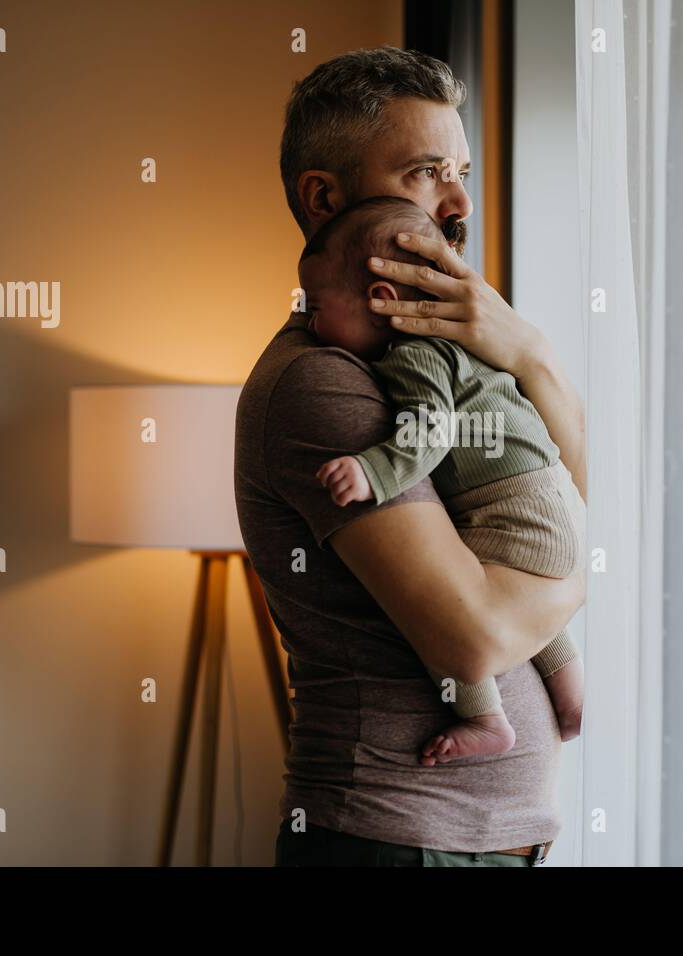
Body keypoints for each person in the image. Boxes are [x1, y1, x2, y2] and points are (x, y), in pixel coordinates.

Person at [235, 47, 586, 867]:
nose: (460, 201)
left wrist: (530, 353)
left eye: (460, 170)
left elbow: (608, 499)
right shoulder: (324, 382)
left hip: (469, 846)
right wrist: (585, 561)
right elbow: (476, 639)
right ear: (324, 198)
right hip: (395, 842)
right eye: (428, 171)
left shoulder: (457, 356)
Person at [299, 195, 585, 765]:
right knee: (522, 593)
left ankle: (484, 716)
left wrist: (370, 470)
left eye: (314, 304)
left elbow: (428, 428)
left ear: (381, 298)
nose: (307, 318)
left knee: (443, 612)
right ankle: (572, 694)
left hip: (514, 505)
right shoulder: (466, 345)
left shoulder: (411, 352)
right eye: (430, 172)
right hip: (551, 500)